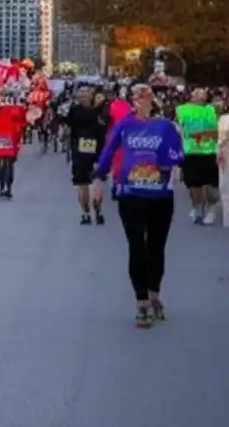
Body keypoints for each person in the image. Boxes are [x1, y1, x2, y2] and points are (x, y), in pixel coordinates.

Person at [93, 84, 183, 328]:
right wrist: (99, 179)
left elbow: (179, 155)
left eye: (143, 94)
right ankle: (141, 301)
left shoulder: (166, 126)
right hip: (131, 194)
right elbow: (108, 152)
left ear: (152, 99)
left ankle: (154, 293)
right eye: (134, 95)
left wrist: (165, 161)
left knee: (156, 247)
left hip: (160, 196)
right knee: (136, 246)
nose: (138, 98)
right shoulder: (125, 125)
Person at [175, 88, 219, 225]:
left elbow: (219, 129)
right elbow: (176, 125)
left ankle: (211, 209)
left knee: (212, 186)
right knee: (194, 184)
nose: (201, 95)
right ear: (192, 96)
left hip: (210, 152)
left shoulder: (212, 109)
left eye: (203, 93)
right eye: (197, 93)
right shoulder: (182, 109)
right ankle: (198, 208)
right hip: (191, 152)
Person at [66, 86, 109, 225]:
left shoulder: (100, 111)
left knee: (93, 182)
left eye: (86, 95)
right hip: (82, 151)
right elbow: (68, 128)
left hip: (95, 150)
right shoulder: (78, 111)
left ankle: (92, 210)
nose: (83, 97)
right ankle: (89, 211)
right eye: (81, 95)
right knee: (84, 183)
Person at [0, 98, 26, 199]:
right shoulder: (13, 122)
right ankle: (9, 188)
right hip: (10, 149)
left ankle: (1, 186)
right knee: (10, 166)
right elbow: (18, 135)